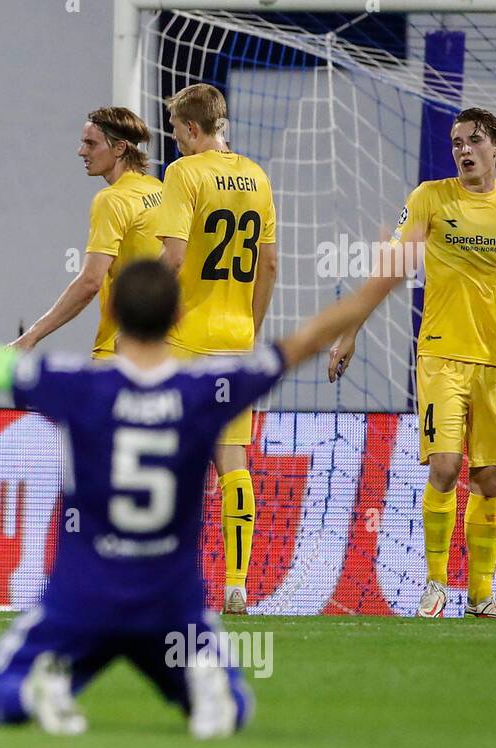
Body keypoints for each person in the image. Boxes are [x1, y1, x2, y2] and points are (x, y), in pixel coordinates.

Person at [0, 232, 389, 737]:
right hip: (171, 604)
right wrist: (380, 283)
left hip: (82, 598)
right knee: (235, 706)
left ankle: (38, 689)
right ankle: (207, 690)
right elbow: (309, 340)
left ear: (113, 309)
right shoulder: (209, 390)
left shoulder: (72, 385)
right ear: (177, 317)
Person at [329, 107, 496, 619]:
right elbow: (391, 267)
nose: (463, 148)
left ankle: (482, 596)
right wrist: (350, 329)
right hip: (440, 355)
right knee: (444, 465)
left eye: (474, 140)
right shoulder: (431, 197)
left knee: (489, 480)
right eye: (456, 141)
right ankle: (436, 584)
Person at [152, 83, 279, 615]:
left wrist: (140, 311)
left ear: (192, 129)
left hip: (185, 336)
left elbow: (175, 258)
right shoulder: (257, 176)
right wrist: (249, 329)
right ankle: (236, 583)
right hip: (236, 339)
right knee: (233, 460)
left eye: (177, 129)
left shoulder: (184, 174)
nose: (176, 139)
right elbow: (270, 266)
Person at [12, 107, 163, 358]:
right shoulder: (157, 189)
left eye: (90, 144)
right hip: (161, 347)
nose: (81, 151)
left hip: (119, 348)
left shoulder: (112, 200)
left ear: (119, 148)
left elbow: (90, 282)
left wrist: (30, 337)